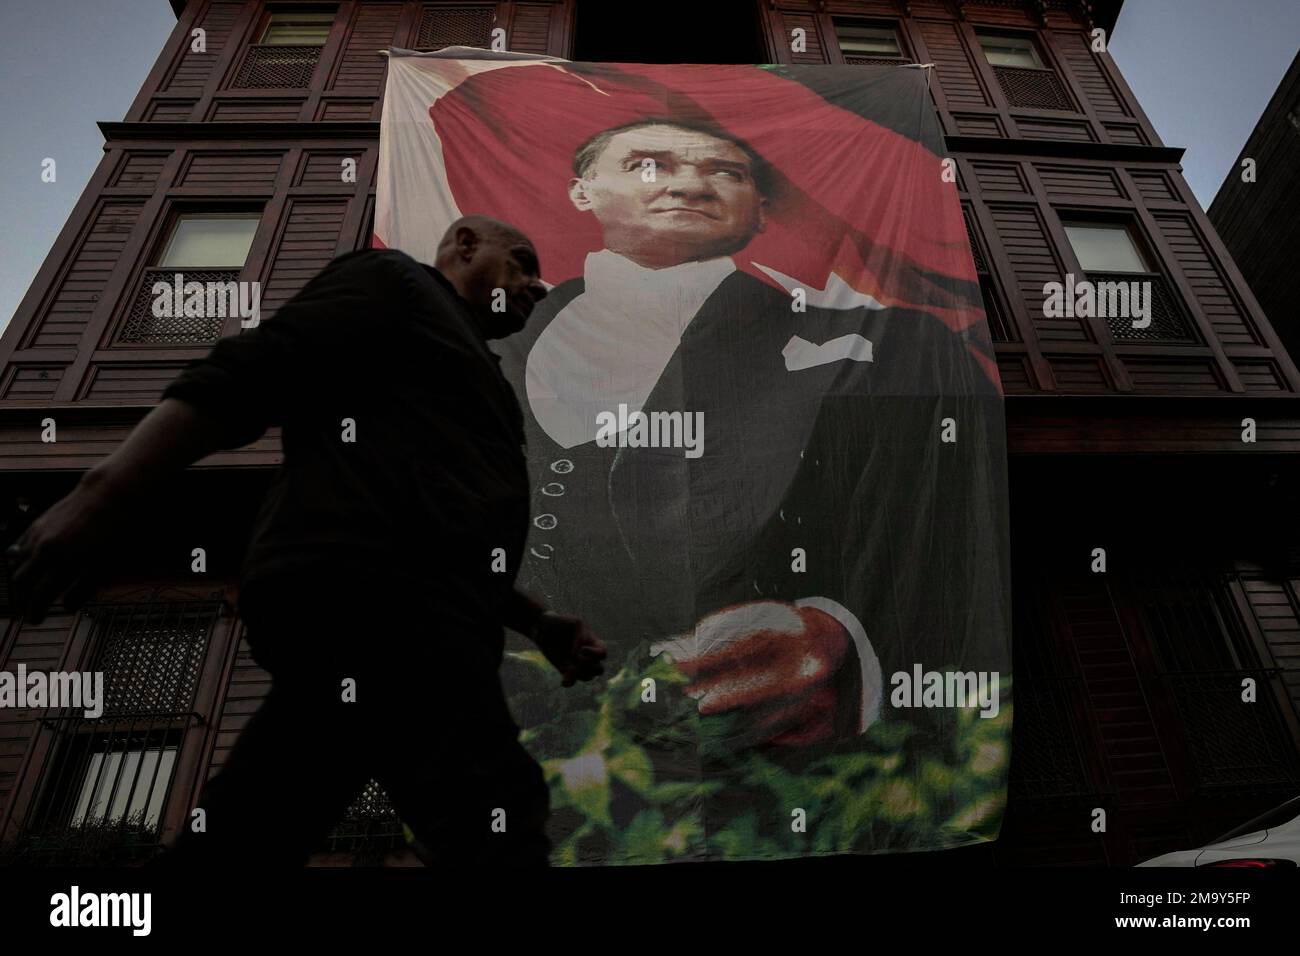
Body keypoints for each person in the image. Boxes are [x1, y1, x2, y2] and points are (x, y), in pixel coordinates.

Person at [6, 215, 607, 866]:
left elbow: (440, 530)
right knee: (493, 814)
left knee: (268, 808)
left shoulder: (474, 367)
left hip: (410, 609)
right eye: (520, 261)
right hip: (380, 604)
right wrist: (100, 493)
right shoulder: (395, 283)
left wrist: (536, 619)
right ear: (464, 246)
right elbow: (251, 373)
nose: (537, 284)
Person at [493, 118, 1007, 754]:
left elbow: (948, 533)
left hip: (784, 774)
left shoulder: (894, 344)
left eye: (726, 172)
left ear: (760, 213)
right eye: (649, 165)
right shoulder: (480, 347)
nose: (690, 184)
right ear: (583, 192)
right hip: (507, 757)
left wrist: (848, 642)